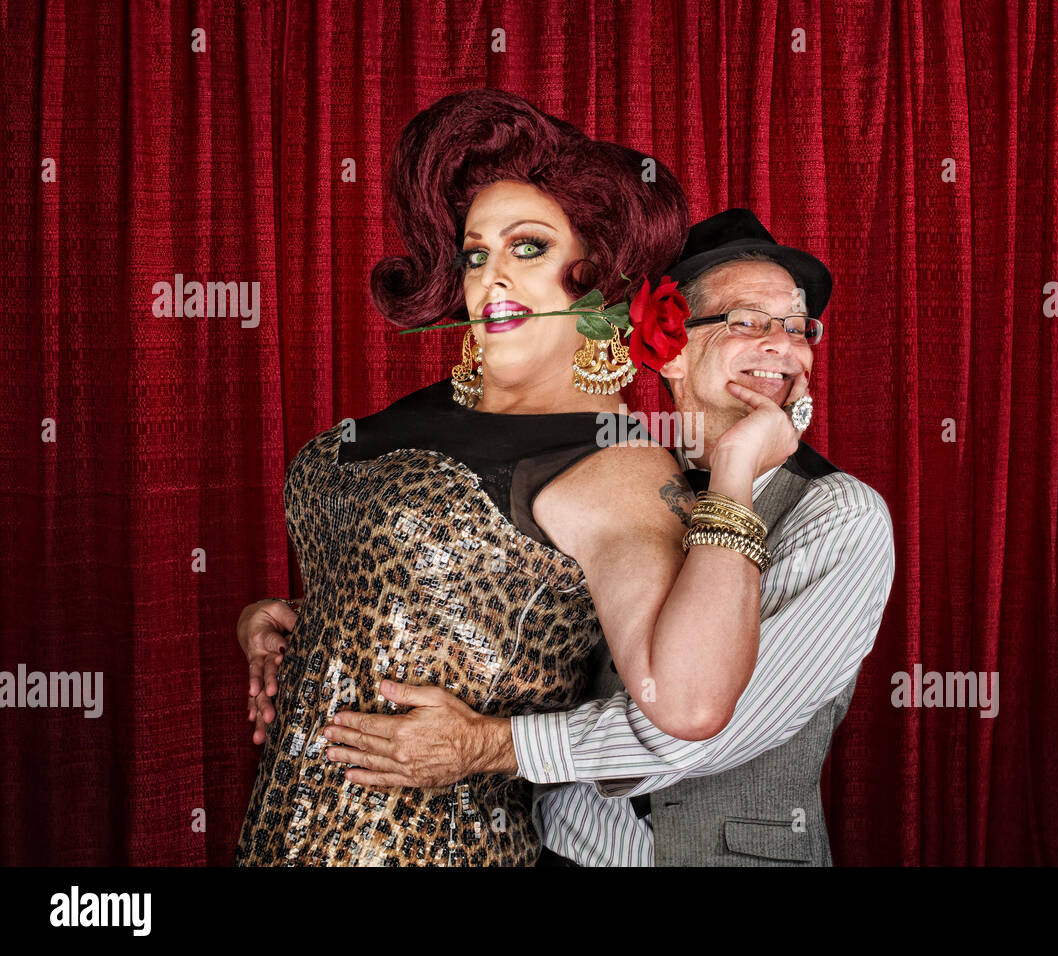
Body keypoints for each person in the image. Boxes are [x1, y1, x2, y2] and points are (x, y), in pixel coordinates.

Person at [233, 92, 802, 866]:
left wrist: (733, 476)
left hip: (432, 849)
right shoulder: (427, 407)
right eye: (476, 253)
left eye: (527, 247)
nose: (492, 275)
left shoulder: (612, 465)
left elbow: (692, 703)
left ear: (593, 276)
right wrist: (318, 617)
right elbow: (442, 585)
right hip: (277, 829)